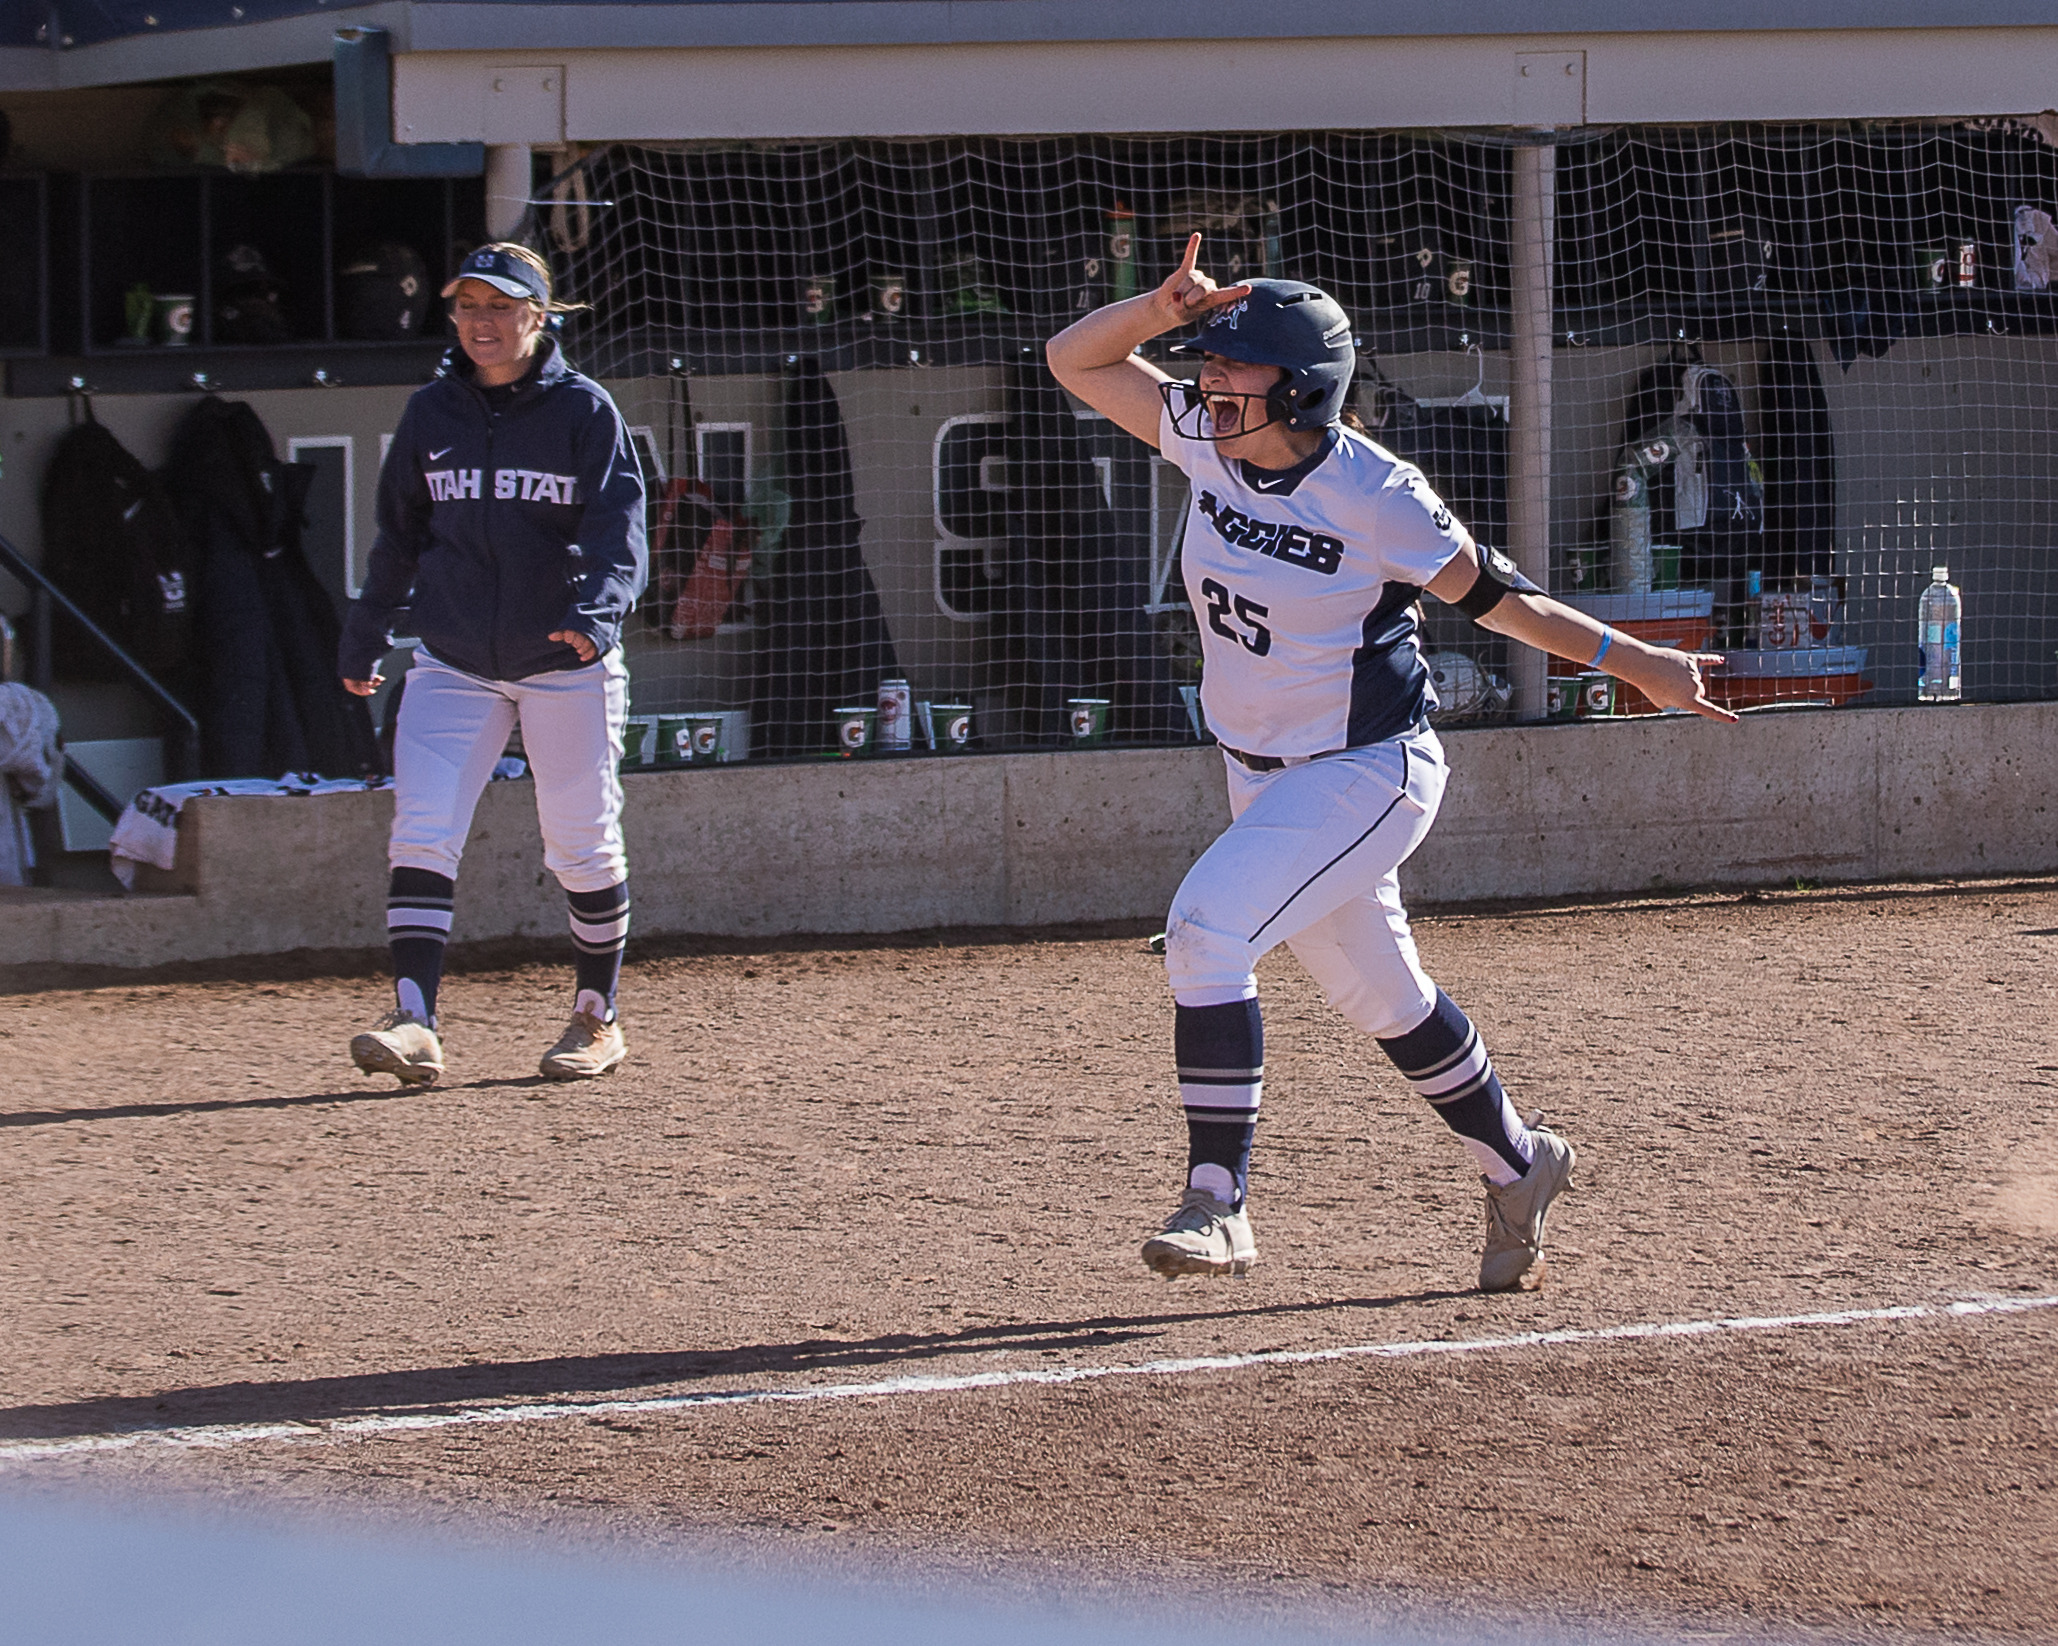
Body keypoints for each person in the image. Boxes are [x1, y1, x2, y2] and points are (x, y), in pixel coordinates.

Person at [1047, 237, 1737, 1290]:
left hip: (1368, 771)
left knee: (1205, 930)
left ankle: (1218, 1202)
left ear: (1307, 389)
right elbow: (1074, 360)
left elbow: (1508, 601)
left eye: (1235, 366)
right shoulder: (1204, 435)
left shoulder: (1379, 493)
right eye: (1209, 362)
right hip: (1260, 775)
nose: (1209, 380)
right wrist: (1154, 308)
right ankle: (1520, 1161)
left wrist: (1639, 660)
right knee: (1389, 1001)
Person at [339, 242, 647, 1086]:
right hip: (454, 660)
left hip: (564, 660)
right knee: (422, 827)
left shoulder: (583, 410)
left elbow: (621, 528)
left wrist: (598, 612)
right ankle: (414, 1019)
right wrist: (367, 629)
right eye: (467, 306)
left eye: (500, 306)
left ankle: (596, 1016)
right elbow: (399, 535)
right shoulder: (431, 412)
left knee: (579, 843)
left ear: (537, 317)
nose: (482, 321)